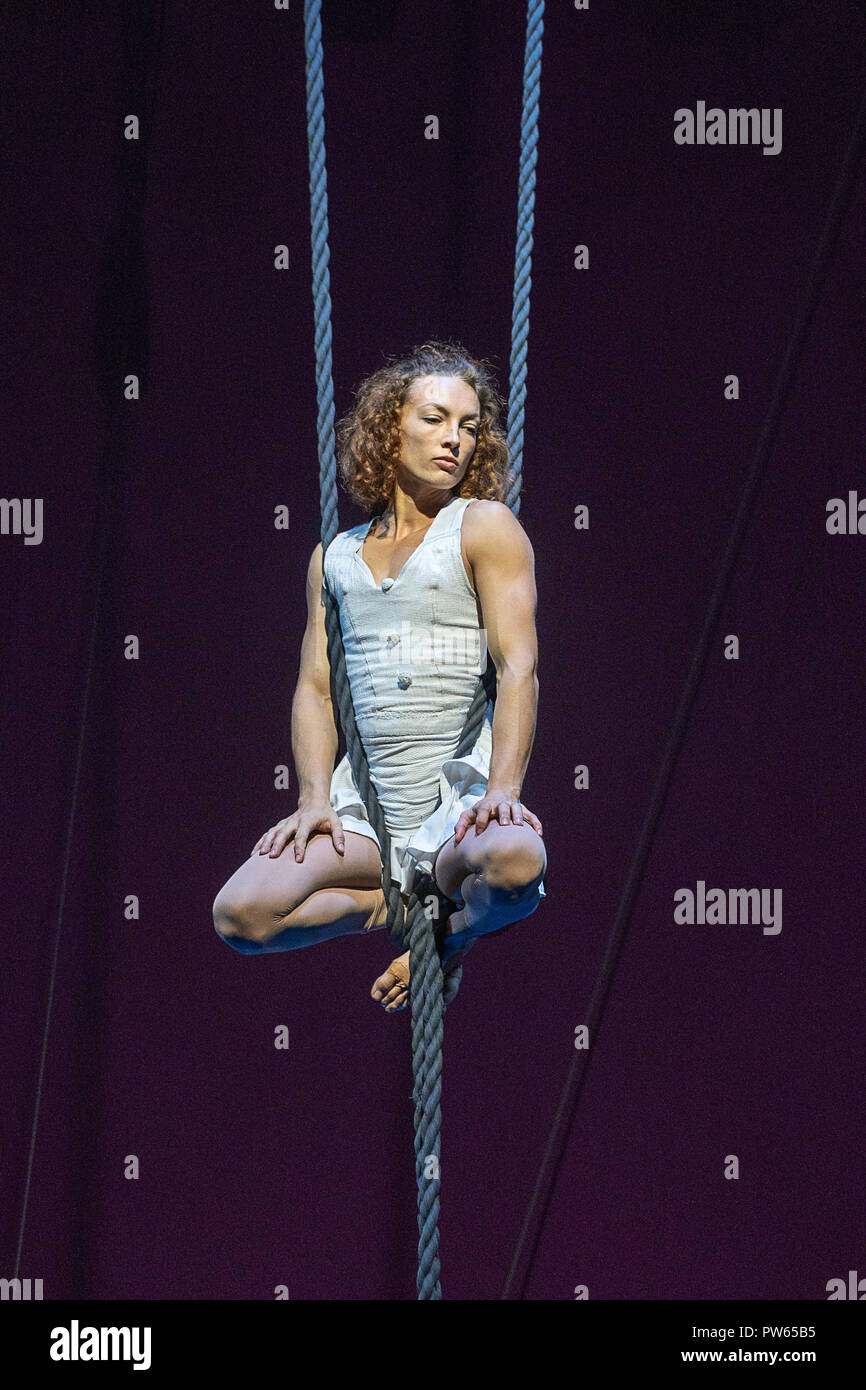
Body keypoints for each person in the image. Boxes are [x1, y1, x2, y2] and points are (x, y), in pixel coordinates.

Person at [212, 339, 547, 1012]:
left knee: (517, 863)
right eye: (433, 418)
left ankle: (443, 936)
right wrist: (314, 800)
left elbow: (520, 667)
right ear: (389, 427)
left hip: (456, 806)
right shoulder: (333, 558)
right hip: (369, 810)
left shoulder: (483, 527)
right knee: (242, 915)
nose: (453, 439)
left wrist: (504, 790)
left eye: (468, 426)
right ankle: (397, 914)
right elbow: (314, 689)